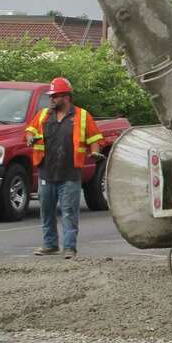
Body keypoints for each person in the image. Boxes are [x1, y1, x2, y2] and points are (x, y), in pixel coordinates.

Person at [25, 77, 104, 259]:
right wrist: (30, 138)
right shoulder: (43, 115)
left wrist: (95, 152)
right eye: (51, 96)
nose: (51, 99)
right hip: (46, 172)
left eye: (55, 96)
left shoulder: (82, 116)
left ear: (66, 97)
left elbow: (94, 138)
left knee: (69, 212)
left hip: (70, 174)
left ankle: (69, 248)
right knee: (46, 212)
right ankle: (50, 245)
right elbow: (30, 130)